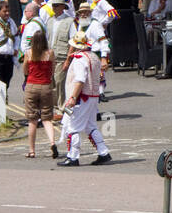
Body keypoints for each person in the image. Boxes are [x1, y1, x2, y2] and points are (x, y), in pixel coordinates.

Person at [56, 32, 112, 167]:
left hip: (82, 97)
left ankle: (73, 157)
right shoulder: (93, 57)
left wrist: (73, 97)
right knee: (90, 126)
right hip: (93, 96)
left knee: (73, 127)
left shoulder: (80, 59)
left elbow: (80, 80)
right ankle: (103, 152)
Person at [23, 26, 57, 159]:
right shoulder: (50, 53)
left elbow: (25, 70)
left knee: (32, 120)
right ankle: (52, 143)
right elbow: (52, 70)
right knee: (47, 118)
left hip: (32, 86)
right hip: (46, 86)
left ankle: (32, 151)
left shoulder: (29, 53)